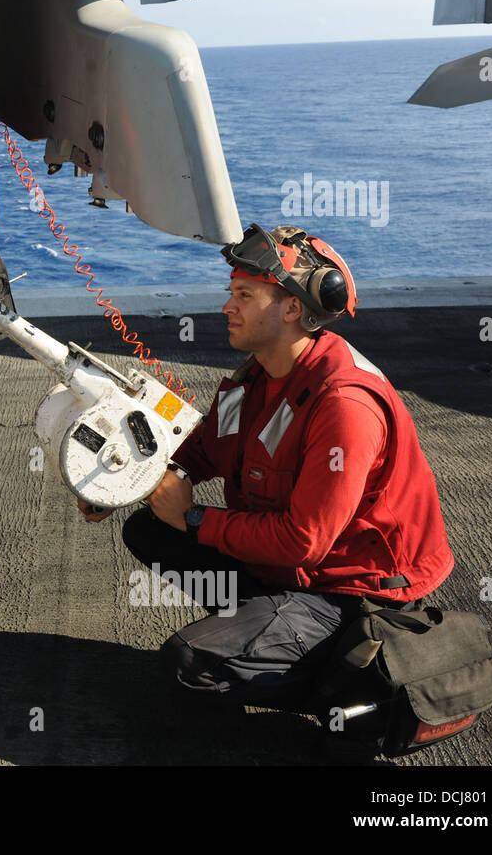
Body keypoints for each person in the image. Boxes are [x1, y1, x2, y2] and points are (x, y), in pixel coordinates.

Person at [82, 224, 455, 714]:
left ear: (292, 308)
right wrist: (124, 481)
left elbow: (304, 541)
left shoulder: (344, 406)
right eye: (231, 292)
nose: (227, 307)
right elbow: (200, 452)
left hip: (352, 593)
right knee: (149, 528)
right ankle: (267, 627)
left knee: (188, 663)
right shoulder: (255, 377)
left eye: (245, 295)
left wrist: (193, 519)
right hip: (294, 569)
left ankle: (357, 683)